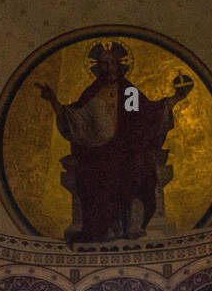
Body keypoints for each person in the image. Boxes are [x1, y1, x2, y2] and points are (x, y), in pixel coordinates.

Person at [38, 41, 193, 241]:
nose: (109, 67)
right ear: (98, 67)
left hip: (126, 149)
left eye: (112, 62)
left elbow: (144, 114)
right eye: (104, 63)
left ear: (119, 65)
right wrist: (53, 101)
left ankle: (129, 226)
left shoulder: (128, 92)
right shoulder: (92, 93)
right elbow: (75, 119)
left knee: (136, 167)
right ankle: (105, 228)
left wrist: (175, 98)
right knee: (92, 173)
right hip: (98, 151)